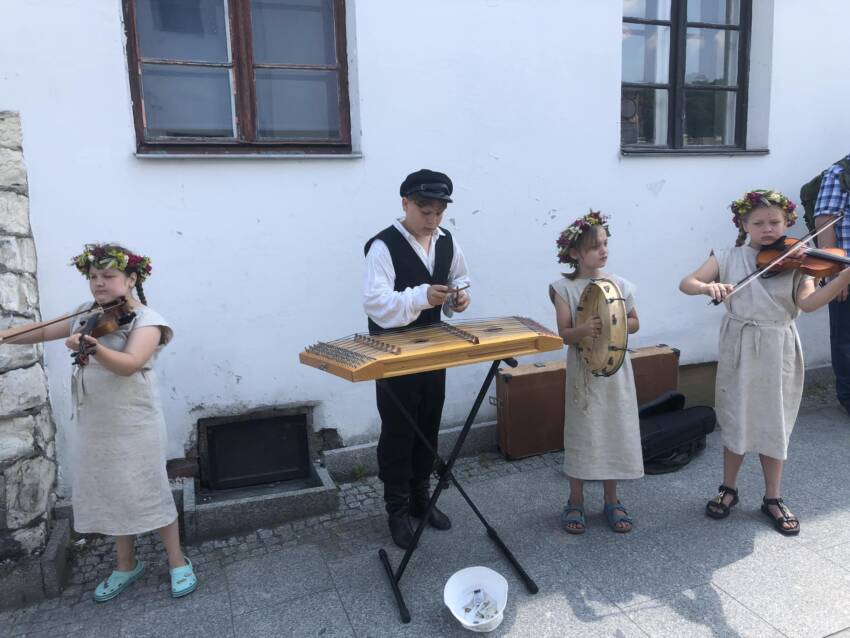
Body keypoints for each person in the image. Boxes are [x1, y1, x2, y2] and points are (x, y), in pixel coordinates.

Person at [0, 243, 196, 599]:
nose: (99, 284)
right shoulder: (85, 312)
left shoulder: (149, 320)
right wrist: (6, 337)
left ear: (131, 278)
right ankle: (126, 564)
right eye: (93, 277)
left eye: (108, 276)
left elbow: (130, 364)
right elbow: (45, 332)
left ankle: (177, 560)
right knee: (112, 489)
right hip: (96, 422)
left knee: (149, 487)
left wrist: (91, 348)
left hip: (135, 422)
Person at [679, 190, 850, 535]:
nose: (768, 229)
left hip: (778, 345)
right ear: (744, 225)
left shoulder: (801, 263)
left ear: (787, 223)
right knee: (736, 416)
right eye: (758, 223)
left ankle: (773, 497)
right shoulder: (727, 256)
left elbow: (811, 303)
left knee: (775, 421)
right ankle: (728, 488)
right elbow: (688, 282)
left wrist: (844, 276)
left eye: (775, 222)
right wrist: (706, 289)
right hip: (739, 344)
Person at [362, 169, 471, 549]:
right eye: (425, 210)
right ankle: (396, 508)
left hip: (433, 348)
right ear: (405, 204)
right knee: (398, 428)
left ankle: (422, 499)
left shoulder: (446, 241)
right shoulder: (383, 246)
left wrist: (458, 298)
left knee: (428, 422)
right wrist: (423, 296)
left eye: (439, 211)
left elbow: (461, 277)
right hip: (392, 354)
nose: (432, 219)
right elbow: (377, 306)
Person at [548, 211, 643, 534]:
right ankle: (575, 500)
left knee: (613, 430)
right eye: (594, 247)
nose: (603, 251)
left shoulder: (619, 284)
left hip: (615, 371)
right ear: (575, 254)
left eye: (605, 244)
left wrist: (613, 324)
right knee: (582, 432)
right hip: (584, 374)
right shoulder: (564, 288)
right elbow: (563, 333)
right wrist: (585, 328)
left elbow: (633, 322)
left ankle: (612, 499)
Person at [813, 153, 850, 415]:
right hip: (846, 271)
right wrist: (835, 271)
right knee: (846, 338)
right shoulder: (839, 173)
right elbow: (824, 223)